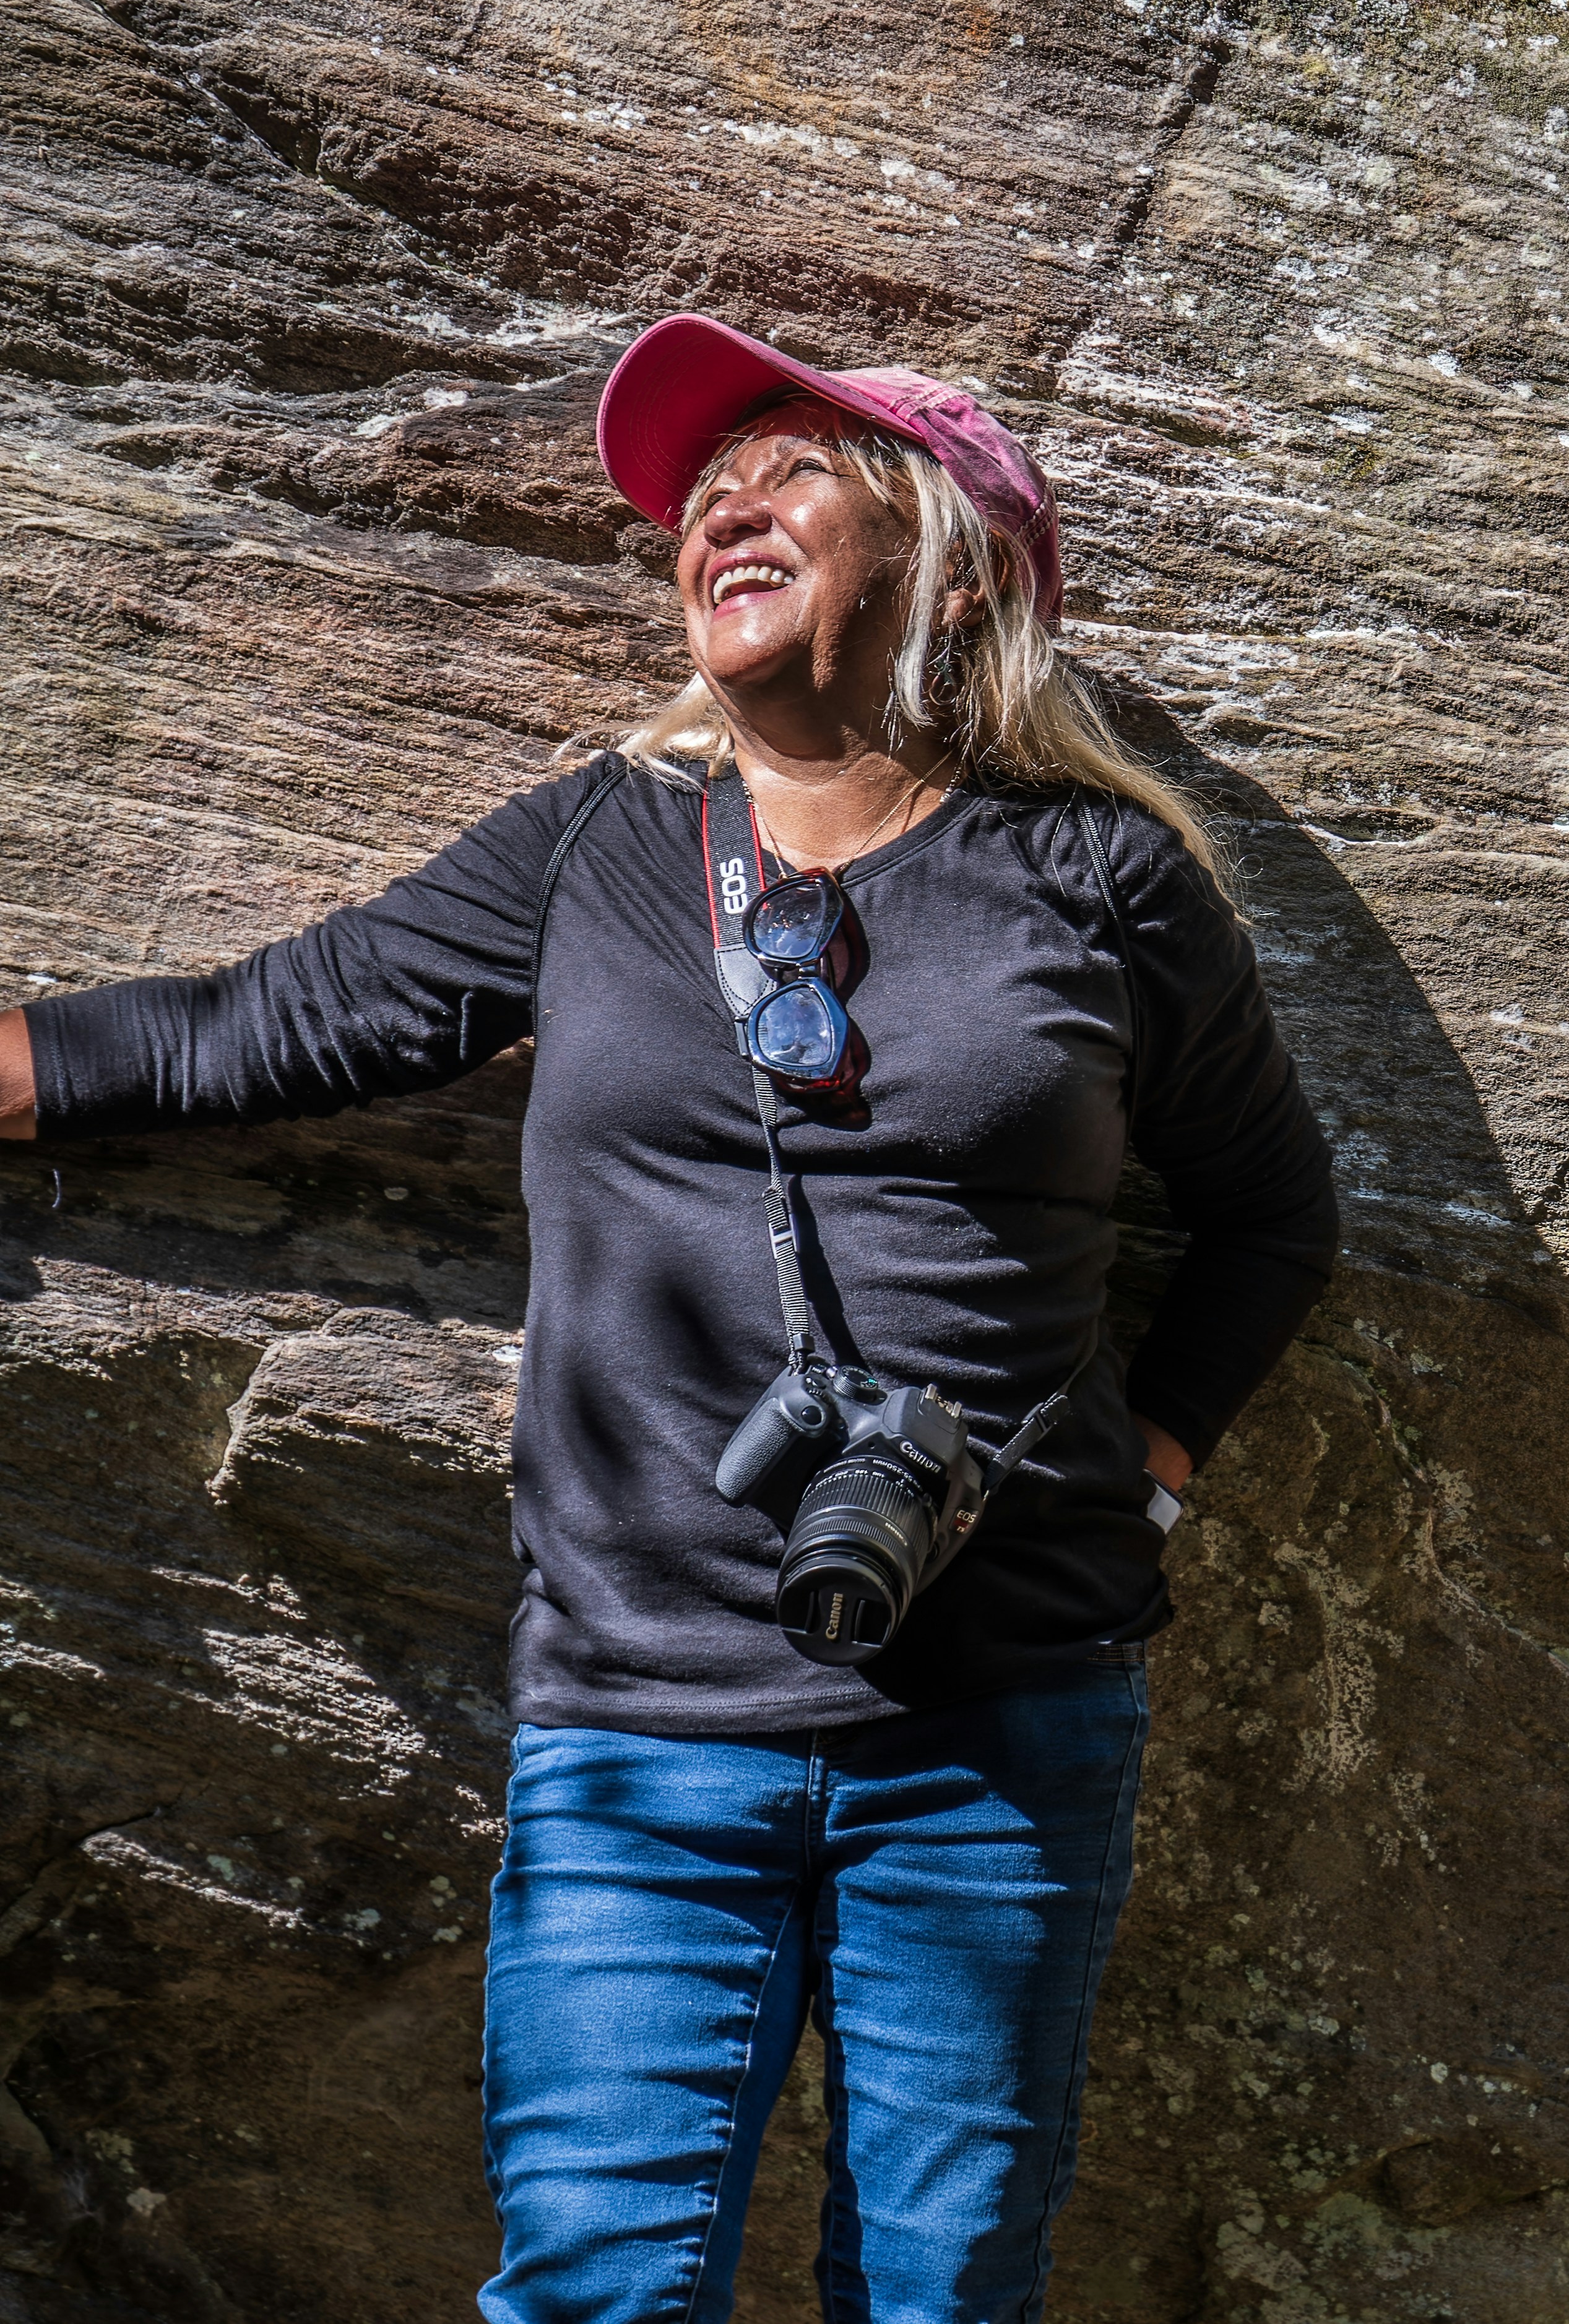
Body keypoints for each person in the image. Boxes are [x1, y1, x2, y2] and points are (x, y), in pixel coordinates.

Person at [0, 315, 1342, 2324]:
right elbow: (276, 1022)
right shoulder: (598, 850)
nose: (723, 501)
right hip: (639, 1722)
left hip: (1001, 1726)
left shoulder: (1100, 873)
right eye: (705, 487)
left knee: (941, 2296)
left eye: (792, 467)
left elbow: (1271, 1215)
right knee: (600, 2293)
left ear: (945, 554)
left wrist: (1134, 1483)